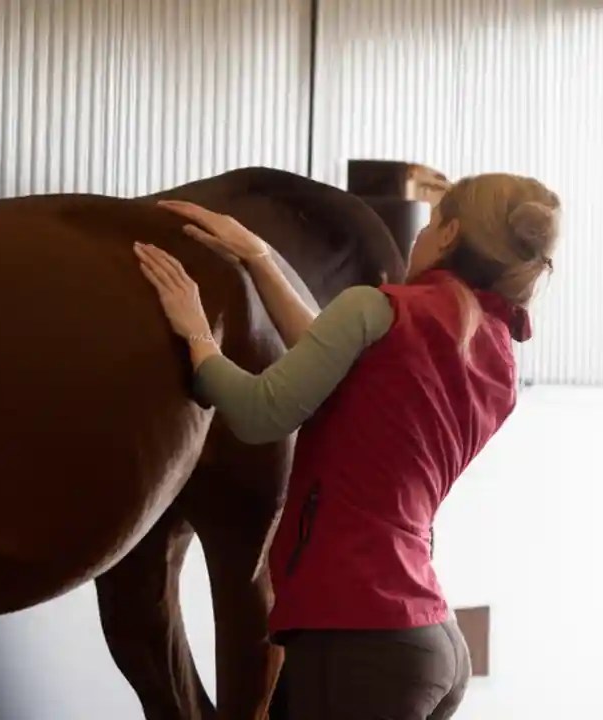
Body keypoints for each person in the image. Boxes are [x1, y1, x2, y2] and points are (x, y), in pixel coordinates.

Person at [133, 173, 561, 719]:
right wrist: (260, 257)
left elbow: (263, 412)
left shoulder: (380, 309)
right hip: (425, 639)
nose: (419, 238)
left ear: (450, 233)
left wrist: (197, 337)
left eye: (430, 225)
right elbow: (337, 355)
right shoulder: (495, 354)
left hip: (358, 634)